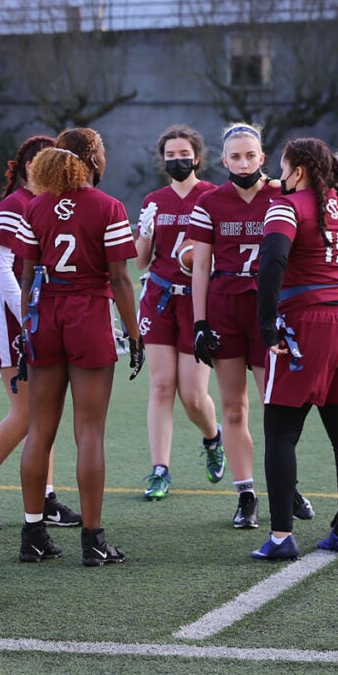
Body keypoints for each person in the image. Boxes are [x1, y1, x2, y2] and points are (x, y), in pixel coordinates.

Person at [251, 137, 338, 561]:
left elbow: (271, 263)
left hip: (307, 323)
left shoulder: (287, 207)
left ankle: (280, 536)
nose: (279, 174)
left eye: (283, 166)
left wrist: (267, 323)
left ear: (300, 170)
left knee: (281, 432)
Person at [14, 127, 144, 566]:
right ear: (91, 159)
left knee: (39, 430)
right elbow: (120, 278)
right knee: (89, 431)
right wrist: (135, 332)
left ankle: (32, 534)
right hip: (88, 313)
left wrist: (24, 327)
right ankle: (93, 540)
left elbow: (27, 276)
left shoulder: (36, 205)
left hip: (45, 314)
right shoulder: (108, 207)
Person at [0, 135, 82, 531]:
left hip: (43, 314)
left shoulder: (53, 204)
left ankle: (46, 497)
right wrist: (26, 314)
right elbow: (1, 267)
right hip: (15, 316)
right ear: (29, 166)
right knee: (27, 414)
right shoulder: (14, 206)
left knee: (46, 412)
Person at [186, 123, 314, 529]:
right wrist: (200, 321)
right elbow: (200, 266)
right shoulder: (210, 202)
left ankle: (285, 482)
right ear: (224, 161)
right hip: (226, 308)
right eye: (235, 156)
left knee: (274, 406)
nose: (243, 162)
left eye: (250, 154)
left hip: (270, 309)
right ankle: (246, 493)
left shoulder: (283, 195)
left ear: (263, 157)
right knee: (234, 407)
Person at [133, 124, 222, 501]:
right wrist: (147, 233)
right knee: (161, 385)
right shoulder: (154, 200)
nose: (178, 160)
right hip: (160, 296)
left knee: (193, 395)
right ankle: (160, 469)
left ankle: (212, 437)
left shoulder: (215, 197)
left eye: (184, 154)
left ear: (197, 157)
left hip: (198, 300)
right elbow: (139, 262)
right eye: (170, 155)